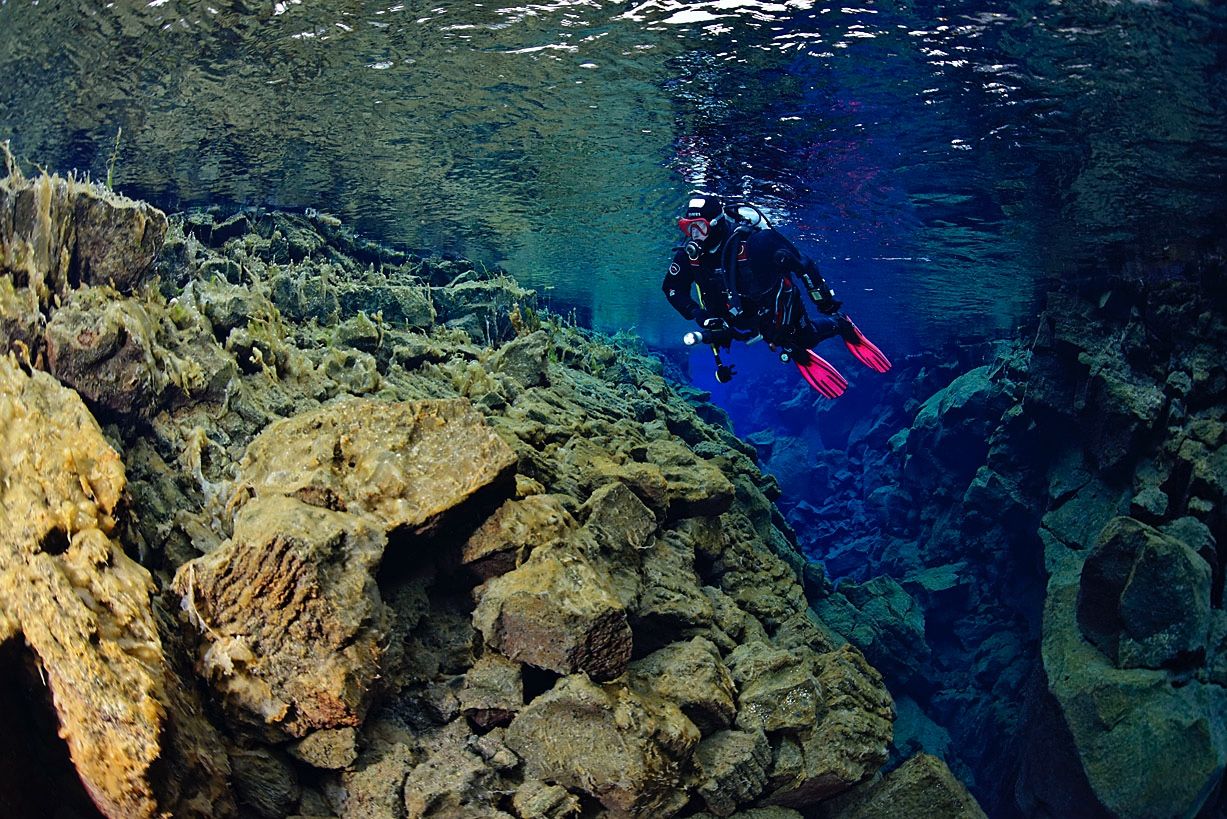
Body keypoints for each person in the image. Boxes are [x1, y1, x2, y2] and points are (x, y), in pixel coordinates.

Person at [663, 194, 890, 398]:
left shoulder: (756, 242)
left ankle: (841, 325)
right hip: (736, 316)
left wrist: (823, 299)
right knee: (771, 339)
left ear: (717, 223)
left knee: (803, 338)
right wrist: (698, 314)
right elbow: (672, 289)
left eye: (699, 228)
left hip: (776, 303)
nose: (694, 236)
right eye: (688, 228)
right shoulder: (689, 256)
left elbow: (803, 264)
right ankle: (793, 348)